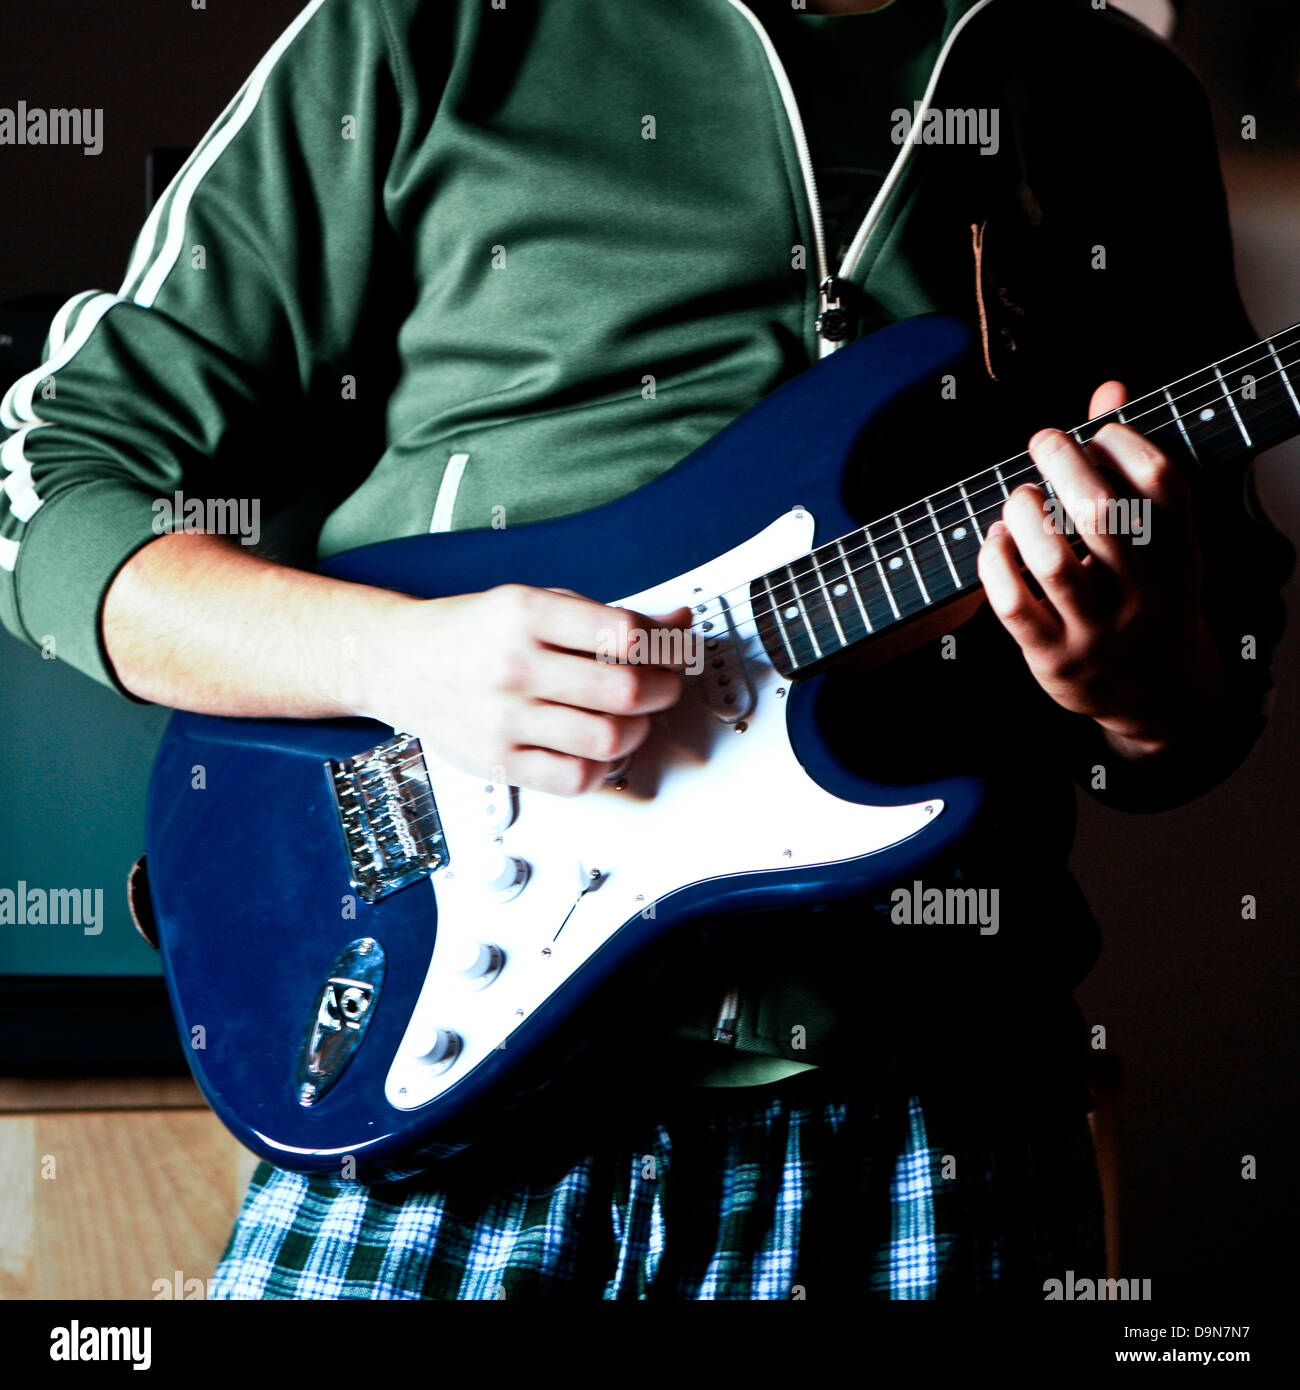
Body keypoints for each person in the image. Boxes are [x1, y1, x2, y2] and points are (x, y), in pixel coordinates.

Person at [0, 0, 1289, 1300]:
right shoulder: (421, 29)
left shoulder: (1114, 96)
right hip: (441, 1109)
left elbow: (1208, 695)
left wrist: (1133, 675)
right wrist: (396, 660)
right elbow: (52, 484)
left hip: (928, 1129)